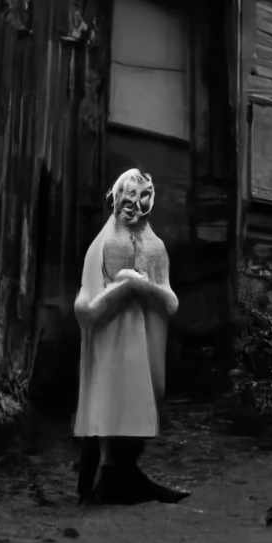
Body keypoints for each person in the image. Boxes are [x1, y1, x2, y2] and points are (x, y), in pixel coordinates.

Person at [73, 168, 189, 504]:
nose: (134, 203)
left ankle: (118, 478)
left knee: (133, 416)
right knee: (104, 413)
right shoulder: (101, 246)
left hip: (143, 352)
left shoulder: (155, 248)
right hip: (108, 351)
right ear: (114, 194)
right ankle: (99, 483)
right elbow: (86, 309)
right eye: (128, 193)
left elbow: (169, 303)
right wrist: (122, 290)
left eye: (143, 196)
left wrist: (140, 285)